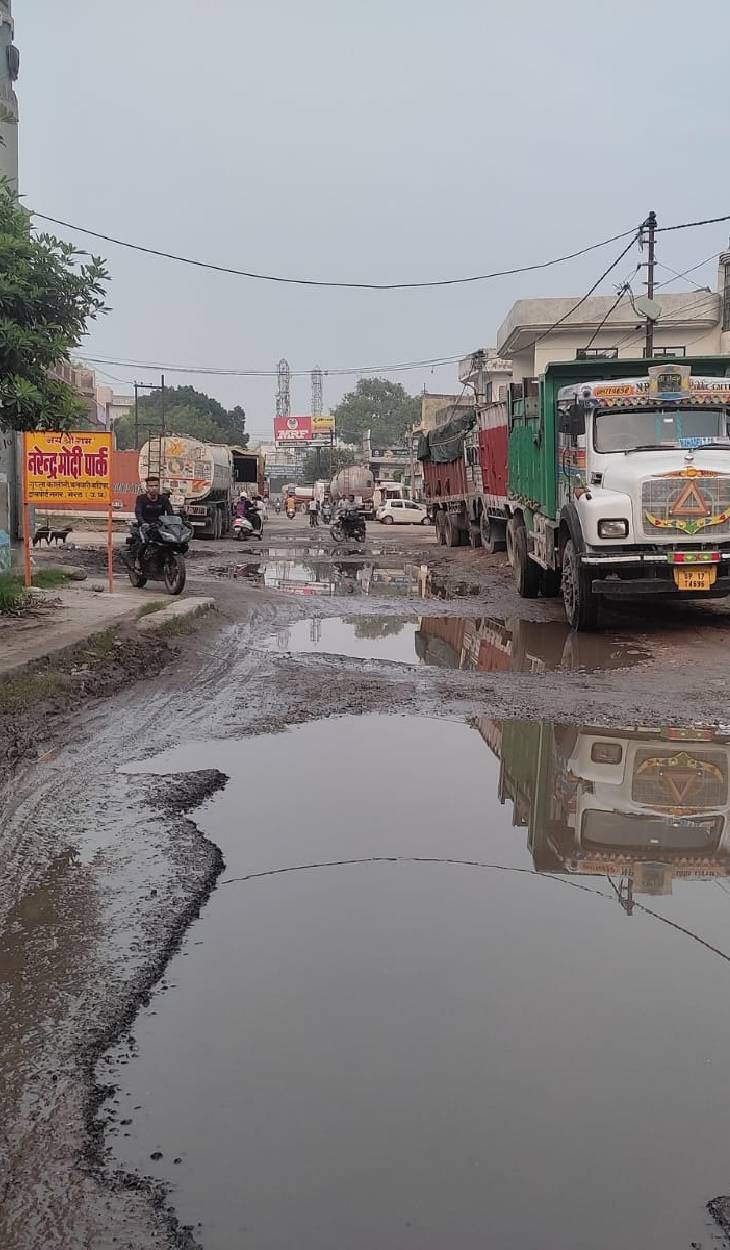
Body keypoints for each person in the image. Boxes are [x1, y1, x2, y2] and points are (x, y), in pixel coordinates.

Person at [132, 475, 173, 566]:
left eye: (156, 486)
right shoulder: (141, 498)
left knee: (170, 542)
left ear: (159, 487)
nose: (153, 488)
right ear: (147, 487)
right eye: (151, 486)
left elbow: (170, 513)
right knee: (144, 542)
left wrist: (173, 522)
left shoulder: (164, 499)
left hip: (159, 525)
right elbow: (138, 513)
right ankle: (137, 561)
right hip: (145, 526)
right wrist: (143, 523)